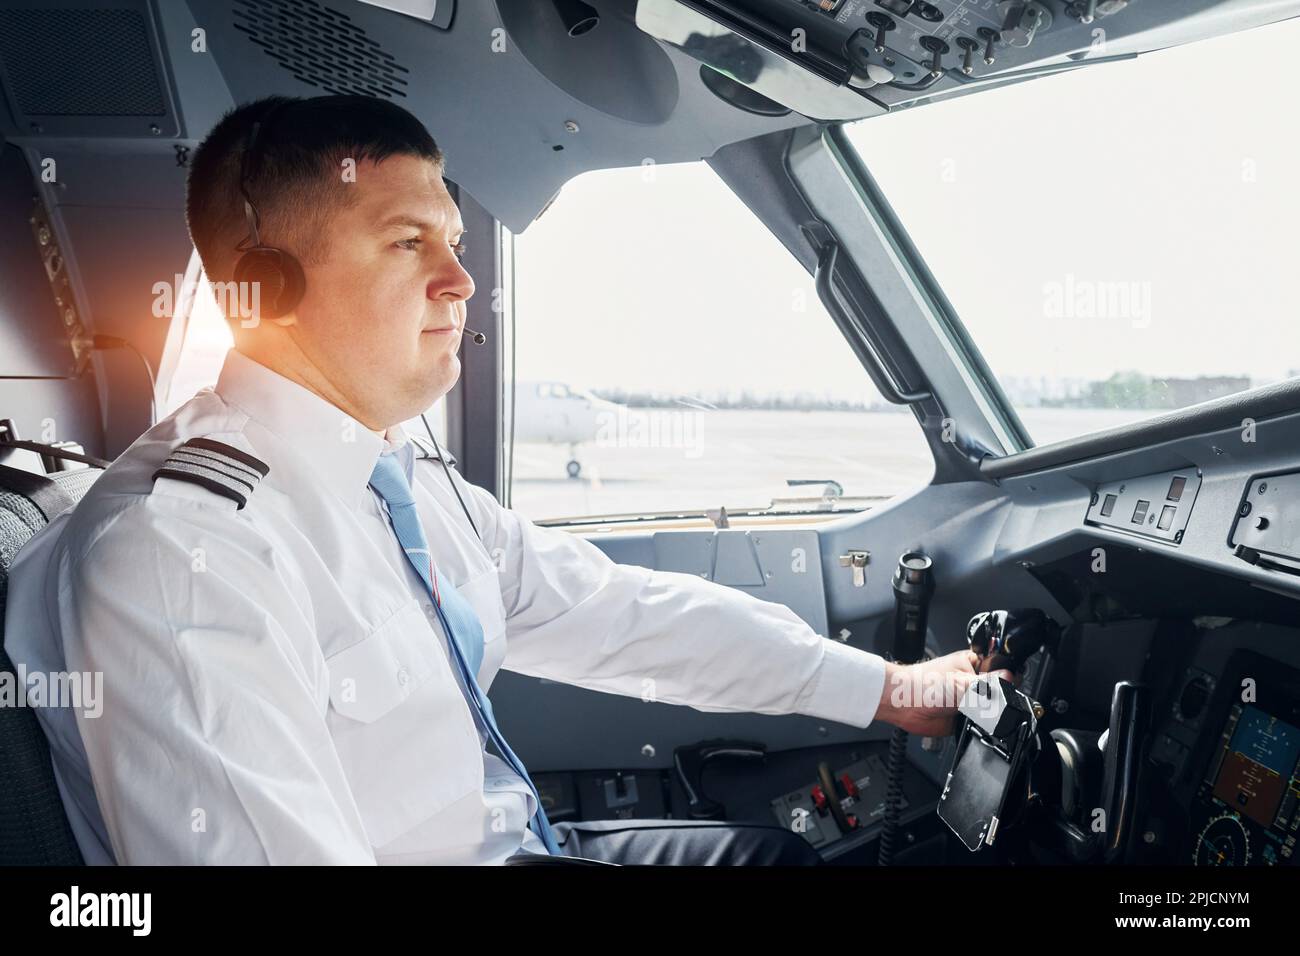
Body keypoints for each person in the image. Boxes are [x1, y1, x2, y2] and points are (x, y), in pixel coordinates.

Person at [5, 94, 1005, 866]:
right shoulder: (190, 555)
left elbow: (620, 612)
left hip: (511, 842)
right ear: (262, 291)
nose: (461, 278)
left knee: (778, 852)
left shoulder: (398, 476)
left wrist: (889, 686)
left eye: (452, 237)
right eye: (409, 243)